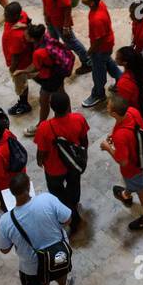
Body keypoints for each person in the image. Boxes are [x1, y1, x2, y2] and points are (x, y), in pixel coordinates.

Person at [0, 173, 74, 285]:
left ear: (12, 193)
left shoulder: (6, 221)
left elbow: (4, 249)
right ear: (28, 187)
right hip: (58, 251)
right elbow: (68, 219)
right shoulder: (47, 199)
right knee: (60, 270)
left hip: (33, 266)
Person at [33, 89, 89, 232]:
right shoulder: (79, 119)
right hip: (73, 165)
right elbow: (84, 140)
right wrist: (83, 155)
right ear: (68, 104)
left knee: (57, 192)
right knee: (74, 184)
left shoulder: (44, 128)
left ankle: (70, 215)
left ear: (51, 107)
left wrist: (40, 161)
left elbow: (42, 151)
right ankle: (74, 203)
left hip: (54, 168)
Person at [101, 93, 143, 230]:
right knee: (133, 184)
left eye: (108, 108)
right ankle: (126, 194)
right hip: (138, 154)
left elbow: (123, 161)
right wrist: (113, 135)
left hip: (133, 168)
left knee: (141, 188)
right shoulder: (132, 112)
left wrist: (108, 147)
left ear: (114, 113)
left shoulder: (121, 136)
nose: (106, 108)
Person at [18, 22, 73, 137]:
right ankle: (69, 118)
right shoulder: (46, 37)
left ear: (33, 38)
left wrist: (23, 71)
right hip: (59, 72)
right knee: (61, 94)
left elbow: (35, 68)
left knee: (44, 100)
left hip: (50, 79)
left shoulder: (38, 53)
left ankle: (40, 125)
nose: (24, 36)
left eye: (26, 35)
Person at [38, 0, 92, 71]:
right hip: (51, 20)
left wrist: (66, 26)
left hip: (61, 22)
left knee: (72, 42)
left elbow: (67, 7)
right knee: (53, 40)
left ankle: (87, 62)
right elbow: (45, 2)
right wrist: (46, 15)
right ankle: (56, 58)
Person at [79, 0, 122, 108]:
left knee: (98, 72)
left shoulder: (96, 19)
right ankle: (121, 79)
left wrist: (90, 51)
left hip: (100, 48)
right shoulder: (100, 4)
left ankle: (98, 94)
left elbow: (99, 40)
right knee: (107, 61)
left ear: (91, 3)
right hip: (107, 45)